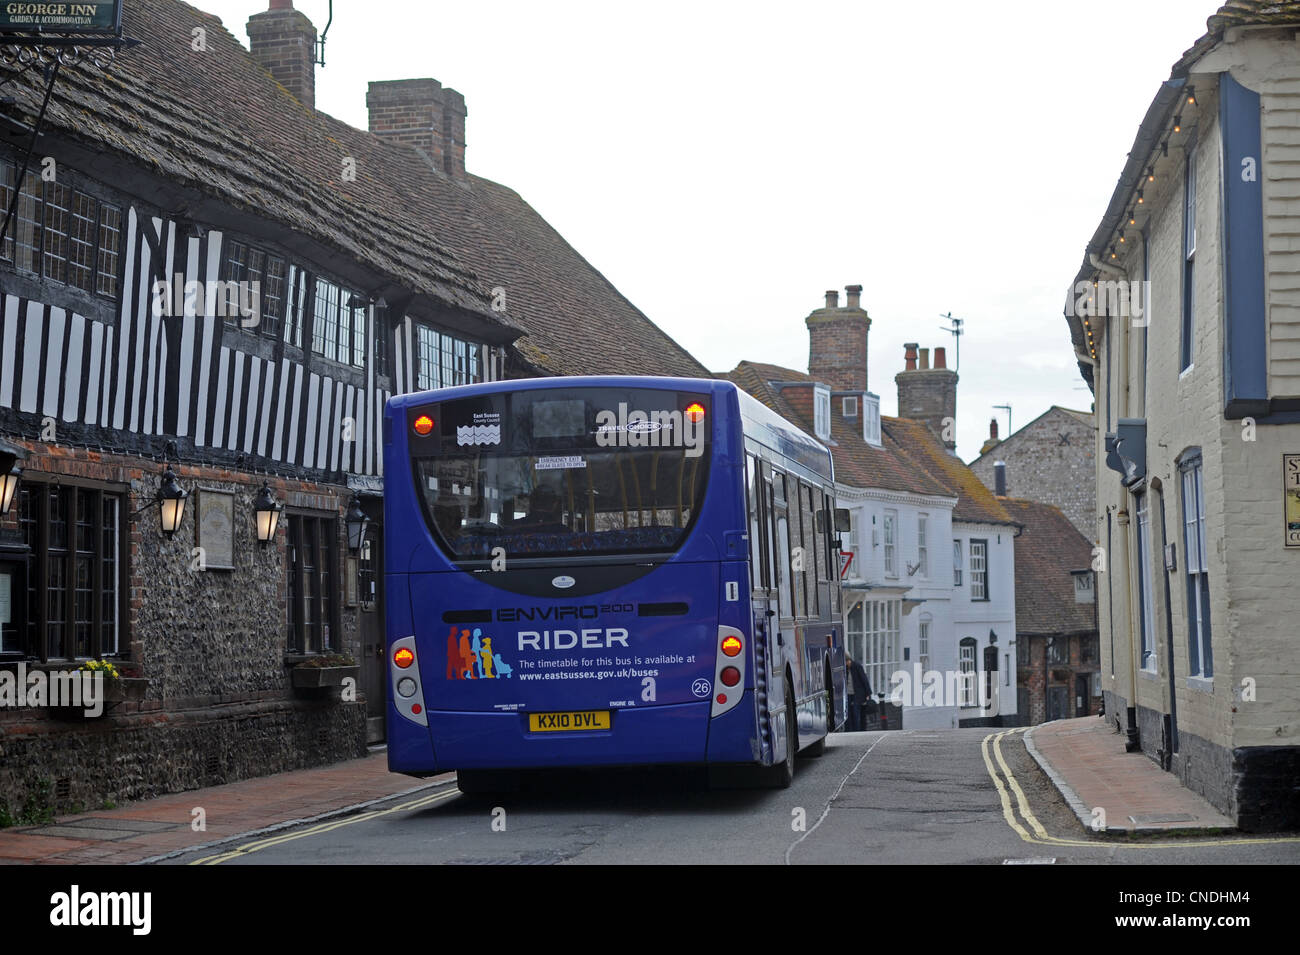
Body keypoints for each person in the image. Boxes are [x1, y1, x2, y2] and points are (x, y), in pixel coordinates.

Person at [846, 654, 873, 731]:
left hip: (857, 694)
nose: (845, 664)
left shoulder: (857, 666)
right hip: (848, 694)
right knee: (849, 714)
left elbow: (864, 680)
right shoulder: (845, 669)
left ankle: (857, 730)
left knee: (856, 713)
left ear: (848, 660)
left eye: (845, 662)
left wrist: (868, 693)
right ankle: (850, 730)